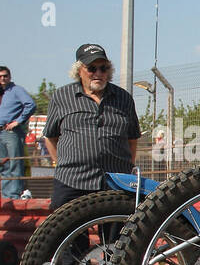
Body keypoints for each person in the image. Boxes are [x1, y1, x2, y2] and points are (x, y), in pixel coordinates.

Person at [42, 44, 141, 211]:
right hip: (71, 180)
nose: (98, 74)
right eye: (92, 68)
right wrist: (61, 164)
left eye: (103, 68)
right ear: (79, 70)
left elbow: (132, 138)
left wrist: (126, 168)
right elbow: (51, 138)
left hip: (115, 180)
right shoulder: (62, 96)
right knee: (68, 234)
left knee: (118, 235)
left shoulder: (124, 98)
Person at [0, 66, 36, 199]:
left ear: (9, 77)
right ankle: (6, 195)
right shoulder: (1, 93)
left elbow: (31, 105)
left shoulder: (16, 90)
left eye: (5, 76)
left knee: (15, 163)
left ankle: (14, 194)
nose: (2, 78)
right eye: (0, 76)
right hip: (0, 132)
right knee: (3, 164)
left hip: (11, 132)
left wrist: (18, 121)